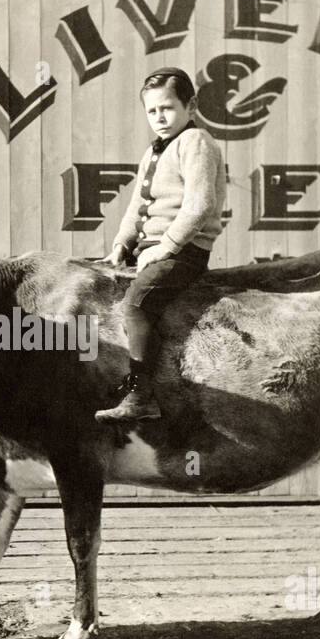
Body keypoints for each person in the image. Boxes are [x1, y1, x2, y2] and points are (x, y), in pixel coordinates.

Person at [96, 67, 227, 423]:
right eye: (152, 111)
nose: (160, 117)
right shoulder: (153, 151)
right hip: (151, 249)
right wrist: (122, 244)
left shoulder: (197, 142)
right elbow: (136, 205)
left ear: (191, 105)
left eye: (167, 108)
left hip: (184, 252)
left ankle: (141, 397)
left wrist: (165, 246)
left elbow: (198, 207)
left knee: (136, 304)